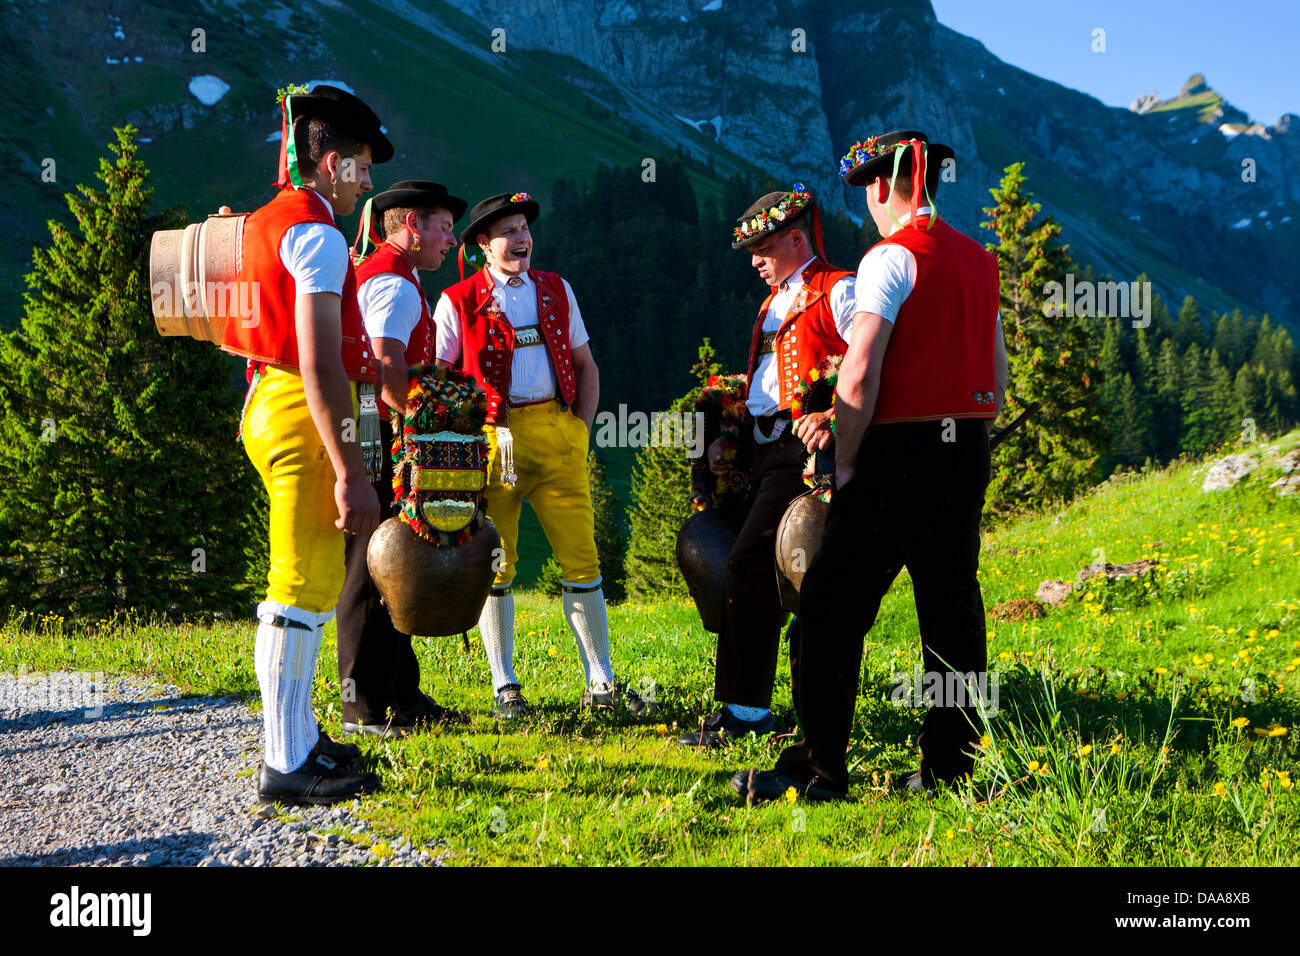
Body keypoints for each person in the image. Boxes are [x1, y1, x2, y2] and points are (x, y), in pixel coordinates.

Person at [732, 130, 1009, 802]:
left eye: (867, 192)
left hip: (899, 456)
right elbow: (998, 379)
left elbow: (858, 374)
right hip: (967, 446)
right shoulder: (979, 261)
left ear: (882, 186)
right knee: (952, 611)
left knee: (829, 605)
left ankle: (818, 768)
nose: (869, 205)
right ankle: (949, 769)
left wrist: (848, 461)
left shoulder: (891, 258)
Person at [221, 84, 393, 804]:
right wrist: (353, 471)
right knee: (294, 590)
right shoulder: (318, 235)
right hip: (302, 409)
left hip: (273, 401)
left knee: (315, 586)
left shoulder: (273, 219)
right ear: (328, 163)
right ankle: (284, 763)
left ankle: (299, 737)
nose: (367, 179)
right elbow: (319, 360)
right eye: (359, 164)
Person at [432, 192, 649, 718]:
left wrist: (580, 428)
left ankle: (601, 682)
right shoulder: (456, 300)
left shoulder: (557, 288)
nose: (522, 238)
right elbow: (439, 382)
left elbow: (586, 364)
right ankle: (504, 684)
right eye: (508, 230)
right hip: (494, 440)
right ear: (484, 243)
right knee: (497, 562)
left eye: (525, 227)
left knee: (582, 558)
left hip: (556, 429)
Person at [679, 186, 855, 749]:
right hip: (756, 447)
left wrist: (833, 414)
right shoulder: (772, 300)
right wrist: (724, 427)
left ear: (796, 238)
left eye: (763, 247)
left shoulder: (840, 289)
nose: (754, 260)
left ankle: (747, 712)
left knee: (752, 564)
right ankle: (756, 705)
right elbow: (767, 379)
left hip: (801, 449)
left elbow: (874, 364)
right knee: (731, 557)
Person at [336, 180, 472, 736]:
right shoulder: (395, 283)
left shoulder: (391, 273)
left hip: (371, 424)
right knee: (374, 565)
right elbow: (388, 368)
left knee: (394, 560)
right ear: (411, 225)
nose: (451, 238)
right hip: (380, 430)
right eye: (443, 226)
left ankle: (401, 694)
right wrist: (423, 424)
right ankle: (367, 707)